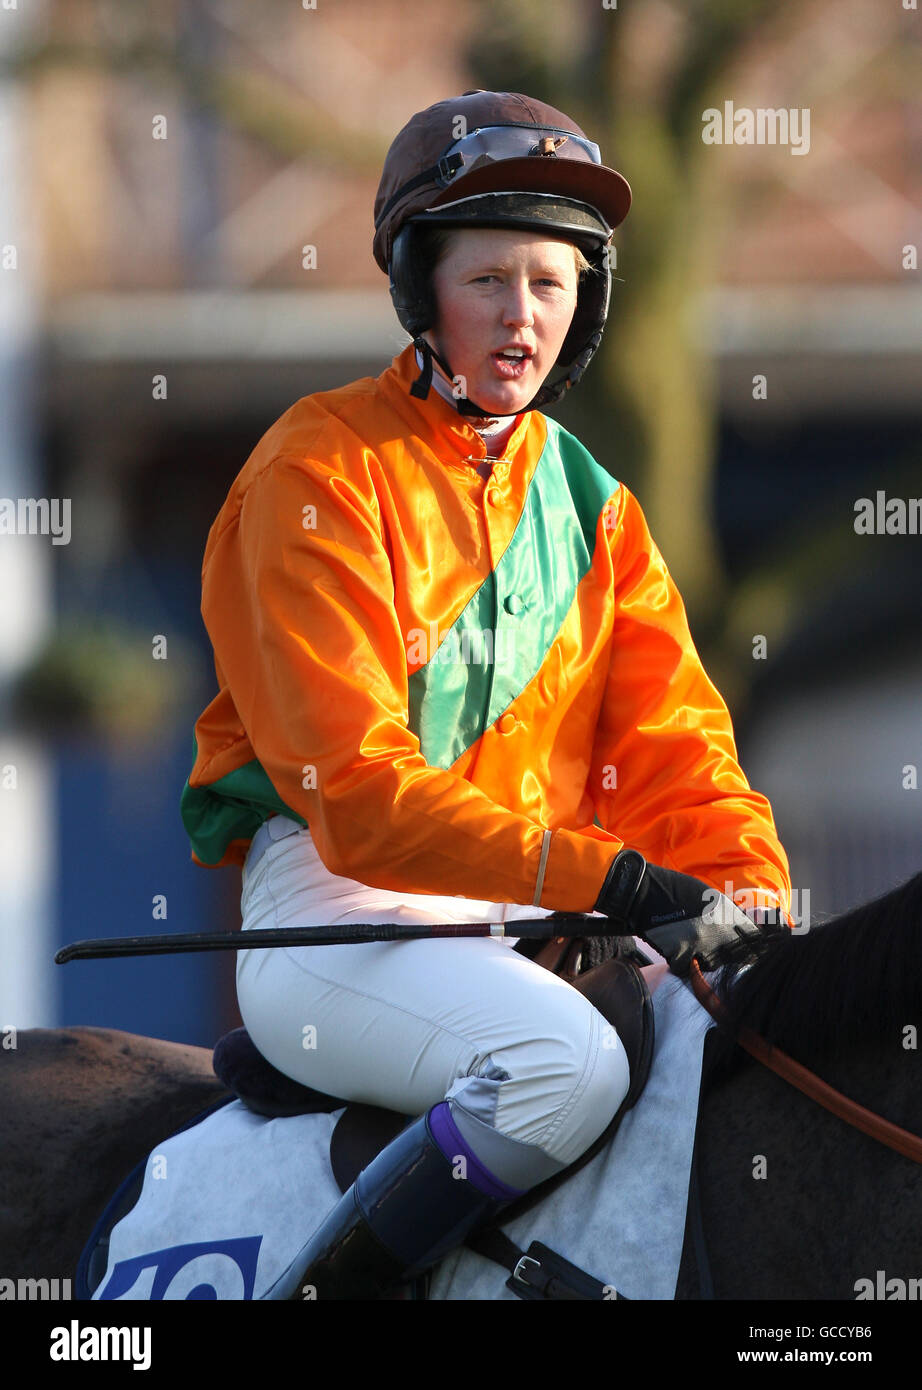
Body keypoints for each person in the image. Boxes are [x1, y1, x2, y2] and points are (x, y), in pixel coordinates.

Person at [180, 90, 792, 1300]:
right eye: (489, 282)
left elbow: (677, 758)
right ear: (420, 291)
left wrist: (753, 904)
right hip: (331, 913)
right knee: (562, 1063)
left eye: (552, 286)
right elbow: (358, 793)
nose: (523, 317)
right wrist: (613, 880)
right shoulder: (316, 474)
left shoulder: (596, 507)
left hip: (530, 922)